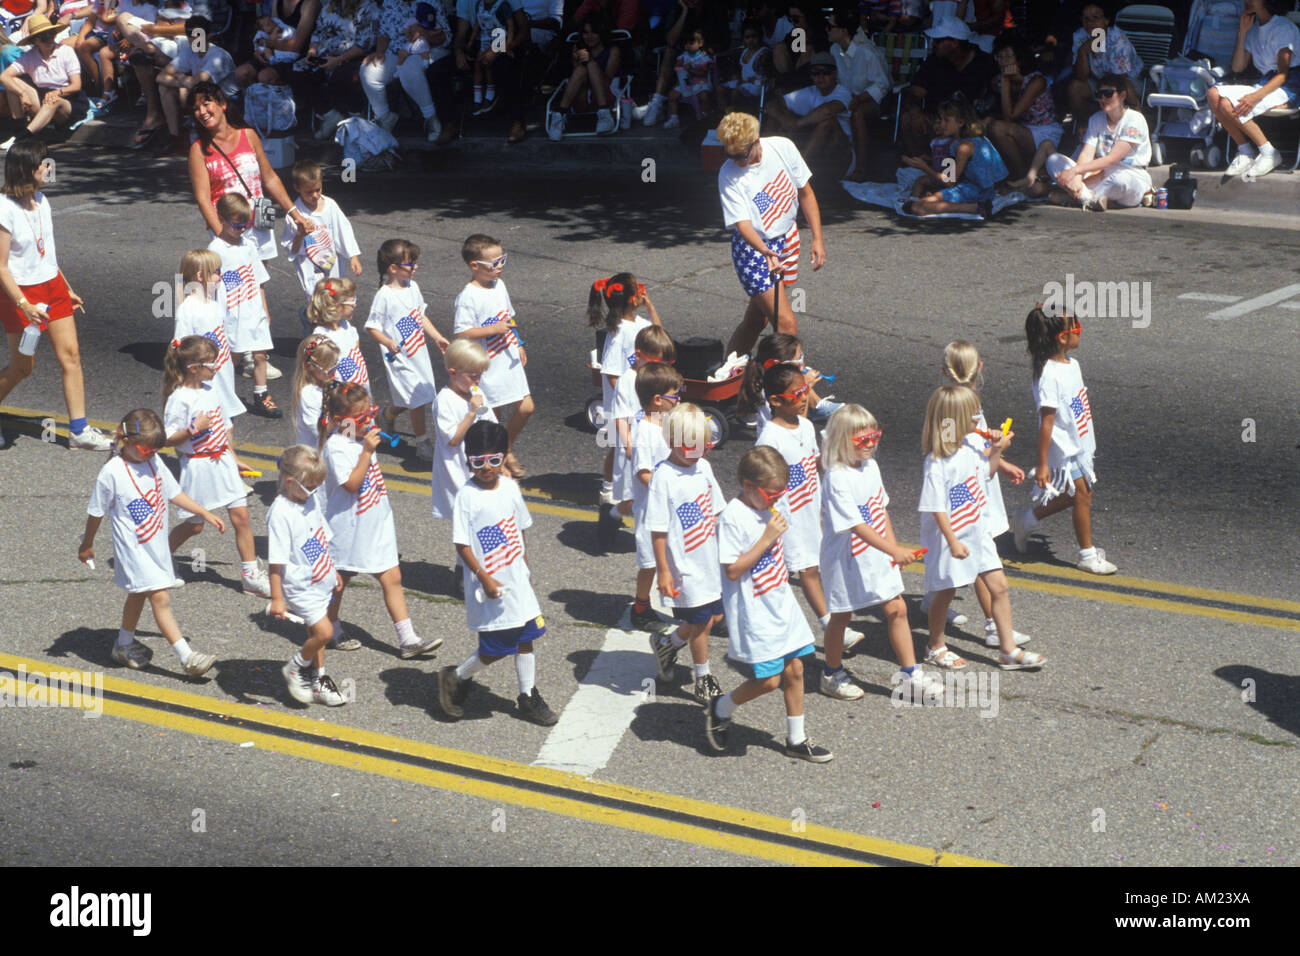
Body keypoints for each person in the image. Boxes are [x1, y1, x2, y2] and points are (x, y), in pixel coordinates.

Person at [706, 445, 833, 761]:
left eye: (780, 494)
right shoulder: (733, 518)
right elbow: (733, 570)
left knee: (796, 670)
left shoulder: (770, 507)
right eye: (771, 495)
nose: (777, 500)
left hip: (780, 602)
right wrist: (765, 538)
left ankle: (796, 739)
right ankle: (720, 707)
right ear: (748, 486)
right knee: (768, 680)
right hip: (754, 611)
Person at [79, 408, 223, 677]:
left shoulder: (154, 462)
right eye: (146, 450)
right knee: (160, 596)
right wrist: (87, 544)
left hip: (154, 547)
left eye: (154, 450)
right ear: (126, 440)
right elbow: (96, 512)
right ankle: (187, 657)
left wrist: (203, 512)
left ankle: (122, 644)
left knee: (139, 593)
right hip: (133, 551)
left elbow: (174, 493)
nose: (151, 455)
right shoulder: (112, 472)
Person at [437, 419, 560, 726]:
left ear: (505, 456)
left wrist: (526, 565)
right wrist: (484, 576)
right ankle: (456, 676)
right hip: (490, 585)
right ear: (469, 461)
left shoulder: (509, 488)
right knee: (496, 648)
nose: (487, 468)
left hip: (516, 579)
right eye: (478, 462)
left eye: (494, 460)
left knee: (528, 636)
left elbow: (518, 530)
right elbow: (462, 544)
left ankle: (527, 695)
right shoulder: (467, 496)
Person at [818, 404, 940, 701]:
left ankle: (911, 674)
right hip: (845, 560)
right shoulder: (836, 477)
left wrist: (893, 550)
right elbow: (857, 526)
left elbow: (879, 509)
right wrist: (894, 550)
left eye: (875, 437)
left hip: (876, 553)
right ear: (841, 440)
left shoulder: (870, 467)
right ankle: (831, 674)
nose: (871, 445)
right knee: (841, 617)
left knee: (897, 608)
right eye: (863, 440)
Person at [919, 384, 1045, 670]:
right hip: (951, 536)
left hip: (977, 531)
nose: (979, 419)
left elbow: (983, 478)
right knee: (946, 591)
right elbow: (936, 505)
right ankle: (935, 645)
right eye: (972, 415)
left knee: (999, 586)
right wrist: (951, 540)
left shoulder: (970, 449)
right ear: (954, 419)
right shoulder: (937, 462)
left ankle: (1008, 650)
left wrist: (996, 453)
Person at [0, 140, 112, 451]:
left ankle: (79, 430)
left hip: (53, 287)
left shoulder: (42, 200)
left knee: (71, 357)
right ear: (26, 170)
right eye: (43, 165)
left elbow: (46, 253)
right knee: (23, 368)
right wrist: (24, 304)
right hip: (20, 295)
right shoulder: (3, 209)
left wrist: (67, 287)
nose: (49, 169)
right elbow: (1, 268)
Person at [318, 381, 442, 658]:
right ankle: (331, 626)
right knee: (340, 582)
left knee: (392, 577)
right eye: (362, 418)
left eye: (371, 413)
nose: (369, 421)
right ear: (340, 421)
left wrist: (365, 445)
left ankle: (408, 639)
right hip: (348, 529)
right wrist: (366, 452)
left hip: (375, 524)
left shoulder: (360, 439)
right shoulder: (337, 446)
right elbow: (350, 485)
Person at [925, 340, 1032, 646]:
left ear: (944, 370)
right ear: (980, 367)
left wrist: (1001, 459)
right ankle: (992, 626)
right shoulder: (954, 404)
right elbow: (949, 449)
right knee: (979, 556)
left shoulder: (964, 402)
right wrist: (991, 448)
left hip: (978, 480)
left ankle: (938, 600)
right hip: (965, 491)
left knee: (980, 556)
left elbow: (976, 447)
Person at [755, 362, 866, 654]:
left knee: (819, 565)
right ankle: (829, 624)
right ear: (776, 401)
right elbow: (766, 481)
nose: (804, 397)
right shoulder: (770, 438)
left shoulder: (805, 425)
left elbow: (813, 465)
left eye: (806, 390)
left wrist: (833, 453)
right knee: (807, 569)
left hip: (812, 508)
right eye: (797, 393)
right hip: (789, 516)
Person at [162, 335, 272, 597]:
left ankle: (250, 575)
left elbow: (221, 429)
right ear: (194, 368)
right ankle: (161, 558)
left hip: (221, 461)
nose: (217, 367)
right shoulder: (179, 399)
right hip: (198, 468)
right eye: (211, 364)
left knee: (242, 517)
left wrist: (233, 458)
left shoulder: (211, 391)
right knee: (195, 525)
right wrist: (192, 429)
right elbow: (167, 438)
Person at [1010, 306, 1116, 576]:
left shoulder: (1072, 365)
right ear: (1062, 338)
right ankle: (1087, 554)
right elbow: (1047, 422)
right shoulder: (1048, 375)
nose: (1081, 331)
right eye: (1076, 327)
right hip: (1062, 446)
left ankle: (1027, 520)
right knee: (1083, 495)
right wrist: (1043, 464)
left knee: (1072, 496)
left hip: (1077, 441)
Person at [715, 111, 826, 358]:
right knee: (787, 325)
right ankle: (790, 388)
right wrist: (765, 251)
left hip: (787, 237)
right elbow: (742, 225)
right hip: (754, 250)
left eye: (742, 155)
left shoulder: (782, 147)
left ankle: (727, 373)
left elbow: (805, 193)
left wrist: (817, 239)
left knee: (758, 320)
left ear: (756, 141)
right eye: (729, 154)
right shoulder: (728, 174)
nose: (737, 161)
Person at [646, 401, 728, 704]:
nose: (696, 452)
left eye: (703, 445)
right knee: (700, 622)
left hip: (710, 560)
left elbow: (718, 511)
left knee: (714, 617)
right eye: (689, 445)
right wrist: (664, 570)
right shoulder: (663, 477)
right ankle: (702, 676)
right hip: (685, 567)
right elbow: (658, 529)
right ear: (670, 441)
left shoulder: (703, 467)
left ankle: (668, 642)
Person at [188, 79, 312, 264]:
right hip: (228, 227)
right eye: (197, 108)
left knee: (259, 281)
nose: (202, 112)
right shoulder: (198, 150)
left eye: (206, 104)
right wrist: (222, 236)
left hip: (259, 222)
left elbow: (269, 178)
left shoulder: (249, 135)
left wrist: (296, 215)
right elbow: (203, 199)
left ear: (222, 104)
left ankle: (260, 294)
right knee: (234, 283)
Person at [268, 443, 351, 706]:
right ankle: (296, 667)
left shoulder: (309, 499)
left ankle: (319, 679)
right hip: (299, 583)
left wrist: (332, 569)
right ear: (290, 481)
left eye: (317, 486)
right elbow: (276, 563)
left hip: (320, 576)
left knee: (316, 632)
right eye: (309, 487)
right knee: (325, 632)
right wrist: (277, 598)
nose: (313, 492)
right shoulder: (280, 514)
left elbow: (318, 537)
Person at [453, 233, 531, 477]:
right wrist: (491, 330)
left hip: (507, 357)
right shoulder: (468, 296)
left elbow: (508, 317)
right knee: (494, 416)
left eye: (502, 261)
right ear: (474, 266)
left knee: (526, 407)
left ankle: (506, 448)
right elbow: (461, 333)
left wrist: (518, 343)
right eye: (494, 264)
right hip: (487, 363)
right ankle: (500, 457)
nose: (500, 268)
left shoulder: (500, 285)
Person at [366, 237, 450, 461]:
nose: (415, 267)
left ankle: (387, 415)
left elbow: (419, 315)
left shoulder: (413, 287)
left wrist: (437, 337)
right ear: (393, 268)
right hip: (399, 357)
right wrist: (388, 342)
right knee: (418, 399)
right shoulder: (384, 296)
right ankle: (422, 442)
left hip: (418, 353)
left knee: (416, 395)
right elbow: (372, 328)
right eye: (410, 263)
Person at [431, 338, 497, 594]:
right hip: (456, 473)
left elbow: (490, 424)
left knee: (481, 521)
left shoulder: (476, 394)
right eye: (472, 376)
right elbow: (452, 438)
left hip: (479, 469)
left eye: (480, 376)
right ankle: (464, 575)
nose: (477, 382)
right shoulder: (445, 400)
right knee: (468, 526)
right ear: (453, 372)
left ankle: (475, 570)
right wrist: (470, 413)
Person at [587, 271, 657, 508]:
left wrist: (651, 308)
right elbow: (611, 374)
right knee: (619, 448)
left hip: (641, 398)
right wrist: (631, 397)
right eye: (638, 289)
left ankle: (632, 487)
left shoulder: (638, 324)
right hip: (624, 404)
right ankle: (608, 490)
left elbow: (659, 336)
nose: (642, 291)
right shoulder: (619, 333)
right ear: (630, 299)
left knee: (636, 446)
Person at [1033, 73, 1152, 210]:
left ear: (1122, 95)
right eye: (1099, 94)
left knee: (1120, 181)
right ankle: (1091, 199)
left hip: (1131, 175)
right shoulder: (1096, 119)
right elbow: (1086, 154)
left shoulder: (1135, 119)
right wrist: (1077, 177)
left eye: (1108, 93)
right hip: (1098, 176)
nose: (1102, 98)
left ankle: (1078, 198)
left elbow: (1112, 159)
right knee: (1053, 160)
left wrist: (1076, 171)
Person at [208, 193, 281, 417]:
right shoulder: (216, 250)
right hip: (231, 313)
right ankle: (222, 394)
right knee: (233, 357)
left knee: (260, 354)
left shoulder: (249, 245)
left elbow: (259, 280)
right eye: (236, 225)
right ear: (221, 219)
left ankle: (261, 394)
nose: (241, 230)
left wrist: (265, 310)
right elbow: (210, 289)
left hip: (253, 309)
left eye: (245, 225)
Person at [602, 323, 674, 551]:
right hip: (635, 445)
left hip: (657, 442)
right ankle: (612, 514)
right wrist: (629, 445)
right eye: (657, 363)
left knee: (655, 491)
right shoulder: (627, 380)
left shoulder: (661, 379)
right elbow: (620, 417)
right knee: (635, 498)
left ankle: (660, 536)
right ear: (639, 356)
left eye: (666, 364)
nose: (661, 368)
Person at [621, 356, 680, 630]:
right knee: (649, 563)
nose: (678, 399)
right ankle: (641, 606)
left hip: (670, 508)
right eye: (674, 395)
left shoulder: (665, 424)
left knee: (674, 556)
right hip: (651, 511)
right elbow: (643, 471)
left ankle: (684, 604)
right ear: (657, 400)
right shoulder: (645, 431)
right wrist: (666, 487)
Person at [1212, 0, 1299, 179]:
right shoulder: (1253, 30)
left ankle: (1269, 153)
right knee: (1214, 94)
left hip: (1288, 84)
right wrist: (1243, 32)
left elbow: (1282, 75)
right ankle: (1245, 151)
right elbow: (1237, 67)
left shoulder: (1284, 27)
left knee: (1229, 104)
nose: (1247, 2)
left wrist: (1255, 97)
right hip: (1265, 82)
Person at [898, 15, 995, 157]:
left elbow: (995, 97)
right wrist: (916, 111)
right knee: (909, 118)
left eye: (937, 41)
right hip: (938, 120)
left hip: (971, 123)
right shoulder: (934, 61)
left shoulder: (984, 62)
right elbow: (915, 92)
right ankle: (921, 164)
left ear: (955, 43)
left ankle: (946, 173)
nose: (933, 45)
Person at [901, 94, 1007, 217]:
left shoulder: (965, 147)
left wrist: (924, 167)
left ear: (960, 122)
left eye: (947, 120)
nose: (942, 125)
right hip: (969, 186)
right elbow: (950, 175)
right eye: (941, 120)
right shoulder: (958, 143)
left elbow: (950, 182)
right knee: (919, 202)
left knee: (917, 208)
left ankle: (975, 208)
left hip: (977, 191)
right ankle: (975, 206)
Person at [172, 248, 245, 424]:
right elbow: (181, 349)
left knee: (228, 427)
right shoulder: (188, 310)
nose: (221, 276)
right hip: (205, 384)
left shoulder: (214, 303)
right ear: (200, 276)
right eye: (217, 272)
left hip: (223, 378)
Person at [282, 159, 363, 312]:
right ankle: (314, 325)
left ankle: (334, 330)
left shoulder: (330, 205)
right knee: (316, 300)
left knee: (336, 296)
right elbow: (292, 250)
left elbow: (343, 230)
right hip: (309, 264)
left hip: (332, 261)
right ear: (297, 188)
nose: (315, 195)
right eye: (309, 192)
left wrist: (353, 256)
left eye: (318, 189)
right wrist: (300, 234)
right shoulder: (295, 214)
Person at [360, 0, 446, 140]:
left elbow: (445, 38)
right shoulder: (390, 2)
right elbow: (384, 32)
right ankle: (385, 118)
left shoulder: (431, 2)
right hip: (399, 52)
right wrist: (380, 51)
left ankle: (431, 118)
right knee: (369, 69)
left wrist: (423, 32)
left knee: (409, 68)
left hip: (427, 51)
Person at [155, 15, 239, 157]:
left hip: (228, 101)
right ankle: (175, 139)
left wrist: (180, 77)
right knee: (165, 88)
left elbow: (198, 82)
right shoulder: (189, 51)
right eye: (190, 35)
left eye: (198, 34)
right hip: (202, 96)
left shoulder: (218, 55)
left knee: (189, 90)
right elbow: (161, 77)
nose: (193, 39)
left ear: (208, 35)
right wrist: (185, 82)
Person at [0, 15, 85, 152]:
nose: (50, 39)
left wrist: (57, 92)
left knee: (53, 100)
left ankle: (20, 137)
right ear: (35, 40)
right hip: (42, 97)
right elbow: (4, 76)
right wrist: (22, 94)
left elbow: (76, 85)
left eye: (51, 35)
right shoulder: (30, 56)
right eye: (44, 37)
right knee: (13, 82)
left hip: (68, 99)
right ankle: (20, 126)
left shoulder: (66, 51)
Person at [826, 5, 891, 181]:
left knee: (858, 114)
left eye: (831, 26)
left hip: (874, 101)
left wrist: (859, 98)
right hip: (848, 98)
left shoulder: (867, 52)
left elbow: (883, 84)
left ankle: (861, 169)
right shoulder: (834, 51)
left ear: (843, 30)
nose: (827, 30)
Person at [985, 34, 1061, 182]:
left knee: (999, 128)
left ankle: (1019, 177)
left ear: (1019, 58)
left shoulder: (1036, 81)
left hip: (1044, 132)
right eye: (999, 57)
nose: (1003, 62)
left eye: (1008, 57)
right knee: (987, 124)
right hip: (1023, 130)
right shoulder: (999, 80)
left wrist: (1005, 81)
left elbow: (1010, 117)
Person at [761, 51, 852, 164]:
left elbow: (827, 111)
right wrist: (785, 119)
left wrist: (796, 124)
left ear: (835, 73)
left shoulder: (844, 92)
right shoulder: (811, 91)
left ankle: (801, 166)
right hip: (820, 148)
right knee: (777, 115)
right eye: (816, 73)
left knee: (827, 121)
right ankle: (764, 159)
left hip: (842, 152)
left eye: (826, 72)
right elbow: (773, 104)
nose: (821, 77)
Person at [1063, 3, 1143, 127]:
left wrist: (1103, 89)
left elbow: (1119, 79)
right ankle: (1085, 127)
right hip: (1098, 80)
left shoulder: (1117, 39)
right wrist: (1082, 51)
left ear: (1106, 20)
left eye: (1096, 18)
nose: (1090, 23)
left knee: (1124, 87)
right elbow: (1081, 76)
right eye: (1086, 19)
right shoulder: (1080, 36)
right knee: (1075, 87)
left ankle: (1138, 125)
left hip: (1126, 80)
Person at [547, 12, 622, 138]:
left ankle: (604, 113)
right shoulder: (578, 48)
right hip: (582, 99)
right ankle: (559, 116)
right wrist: (576, 61)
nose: (589, 36)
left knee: (590, 65)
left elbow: (607, 82)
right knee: (581, 70)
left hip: (605, 97)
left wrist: (590, 61)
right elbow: (578, 80)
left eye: (593, 32)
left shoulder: (613, 51)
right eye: (585, 32)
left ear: (601, 33)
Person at [735, 332, 827, 432]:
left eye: (802, 356)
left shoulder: (766, 380)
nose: (803, 365)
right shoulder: (777, 390)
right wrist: (805, 388)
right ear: (777, 364)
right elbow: (799, 423)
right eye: (798, 360)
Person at [307, 276, 369, 389]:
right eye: (353, 302)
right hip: (341, 395)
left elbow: (356, 351)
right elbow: (317, 371)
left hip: (358, 386)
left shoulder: (346, 326)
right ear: (337, 306)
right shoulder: (321, 337)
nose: (355, 305)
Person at [291, 333, 340, 448]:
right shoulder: (308, 394)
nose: (335, 372)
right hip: (314, 458)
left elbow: (349, 434)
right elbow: (320, 431)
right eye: (329, 369)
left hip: (334, 451)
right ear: (308, 366)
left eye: (336, 365)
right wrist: (343, 415)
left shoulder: (330, 383)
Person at [662, 26, 711, 129]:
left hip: (700, 83)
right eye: (685, 43)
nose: (687, 46)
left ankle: (705, 115)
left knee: (704, 96)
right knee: (672, 96)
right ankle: (674, 118)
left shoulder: (703, 57)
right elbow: (677, 67)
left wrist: (690, 70)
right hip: (685, 83)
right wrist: (679, 65)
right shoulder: (683, 56)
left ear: (700, 43)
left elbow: (704, 73)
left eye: (691, 43)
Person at [719, 17, 770, 111]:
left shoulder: (762, 54)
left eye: (754, 36)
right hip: (744, 83)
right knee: (720, 88)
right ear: (743, 39)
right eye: (747, 37)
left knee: (736, 92)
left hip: (756, 86)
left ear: (760, 36)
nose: (750, 40)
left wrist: (747, 81)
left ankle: (733, 111)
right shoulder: (745, 51)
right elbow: (744, 72)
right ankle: (725, 112)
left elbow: (765, 80)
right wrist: (738, 78)